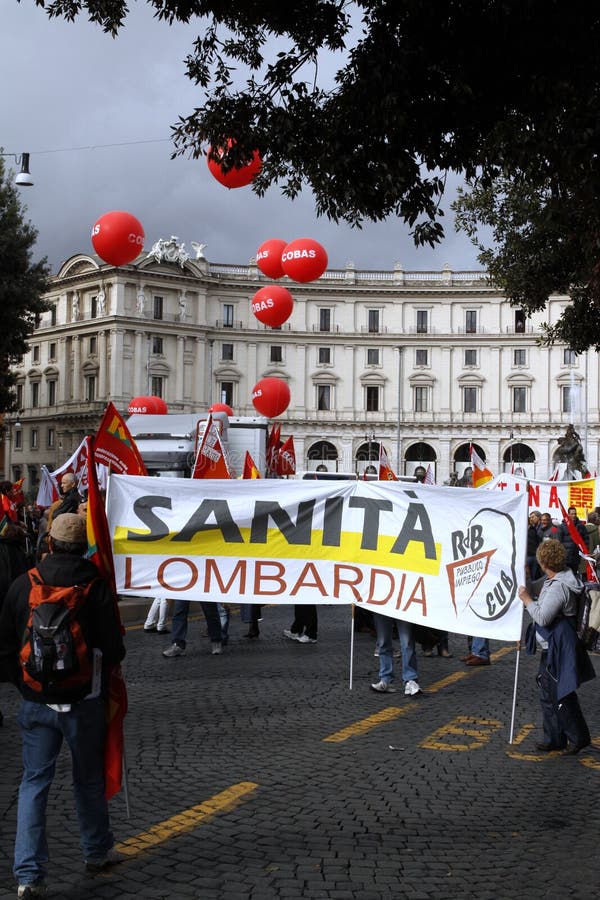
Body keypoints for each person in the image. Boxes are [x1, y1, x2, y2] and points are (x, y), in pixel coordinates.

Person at [0, 513, 126, 897]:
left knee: (34, 783)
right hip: (83, 700)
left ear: (49, 543)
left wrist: (26, 686)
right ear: (82, 547)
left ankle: (28, 875)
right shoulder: (95, 586)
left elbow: (5, 645)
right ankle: (96, 850)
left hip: (37, 700)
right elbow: (115, 648)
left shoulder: (25, 583)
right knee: (87, 780)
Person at [518, 538, 595, 754]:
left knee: (561, 694)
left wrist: (526, 600)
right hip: (555, 646)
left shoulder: (559, 586)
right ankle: (554, 738)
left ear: (544, 562)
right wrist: (525, 576)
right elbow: (535, 588)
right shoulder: (557, 578)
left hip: (558, 647)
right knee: (548, 693)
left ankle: (578, 738)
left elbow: (542, 617)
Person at [370, 612, 421, 695]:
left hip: (399, 604)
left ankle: (410, 680)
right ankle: (386, 679)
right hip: (384, 605)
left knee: (407, 642)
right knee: (383, 642)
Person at [557, 506, 588, 573]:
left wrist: (585, 551)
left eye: (575, 514)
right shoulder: (561, 526)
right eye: (572, 514)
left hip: (576, 556)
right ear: (568, 514)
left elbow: (585, 539)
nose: (574, 515)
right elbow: (558, 542)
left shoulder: (581, 526)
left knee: (574, 574)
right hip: (565, 557)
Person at [526, 510, 542, 579]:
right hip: (528, 556)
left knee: (533, 577)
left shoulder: (535, 529)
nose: (531, 519)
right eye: (530, 518)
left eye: (533, 517)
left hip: (534, 556)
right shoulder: (533, 528)